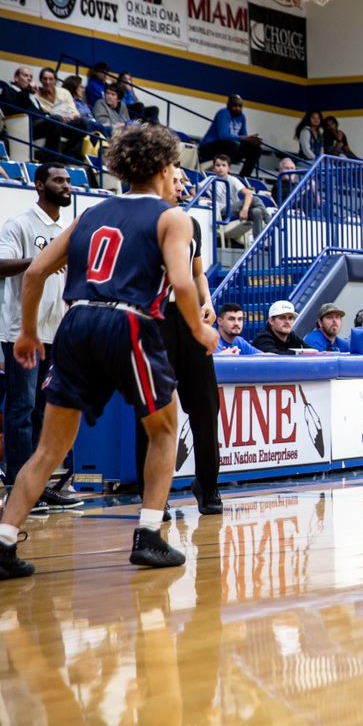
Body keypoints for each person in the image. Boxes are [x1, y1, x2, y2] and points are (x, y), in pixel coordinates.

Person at [0, 123, 218, 579]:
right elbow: (182, 283)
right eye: (175, 165)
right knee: (164, 429)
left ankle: (2, 541)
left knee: (49, 448)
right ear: (162, 167)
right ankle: (150, 536)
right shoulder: (172, 217)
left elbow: (37, 272)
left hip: (76, 322)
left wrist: (25, 334)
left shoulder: (88, 215)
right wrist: (199, 330)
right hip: (128, 321)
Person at [133, 168, 222, 516]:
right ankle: (153, 493)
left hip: (190, 319)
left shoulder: (191, 224)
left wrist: (208, 301)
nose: (183, 186)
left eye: (186, 181)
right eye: (177, 179)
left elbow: (197, 272)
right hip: (155, 319)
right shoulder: (143, 222)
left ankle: (208, 484)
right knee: (154, 411)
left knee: (205, 407)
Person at [0, 163, 82, 513]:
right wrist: (38, 261)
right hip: (22, 331)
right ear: (39, 185)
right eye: (58, 180)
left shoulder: (65, 230)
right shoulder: (19, 224)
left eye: (68, 181)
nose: (66, 186)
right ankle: (19, 486)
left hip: (54, 333)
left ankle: (37, 486)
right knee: (21, 408)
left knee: (42, 414)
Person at [199, 94, 263, 178]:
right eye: (235, 105)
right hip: (208, 148)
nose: (238, 108)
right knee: (232, 144)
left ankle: (244, 177)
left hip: (229, 149)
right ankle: (225, 174)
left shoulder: (242, 117)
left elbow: (243, 136)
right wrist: (245, 138)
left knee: (255, 148)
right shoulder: (223, 113)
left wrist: (251, 140)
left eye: (240, 106)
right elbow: (223, 136)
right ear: (228, 105)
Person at [209, 154, 267, 242]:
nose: (220, 168)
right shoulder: (211, 179)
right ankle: (269, 220)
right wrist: (201, 197)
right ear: (213, 168)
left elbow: (248, 194)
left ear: (229, 168)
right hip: (222, 212)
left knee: (257, 211)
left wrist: (245, 210)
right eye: (218, 165)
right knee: (256, 200)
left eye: (224, 165)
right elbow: (194, 190)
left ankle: (258, 242)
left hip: (235, 211)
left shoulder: (233, 179)